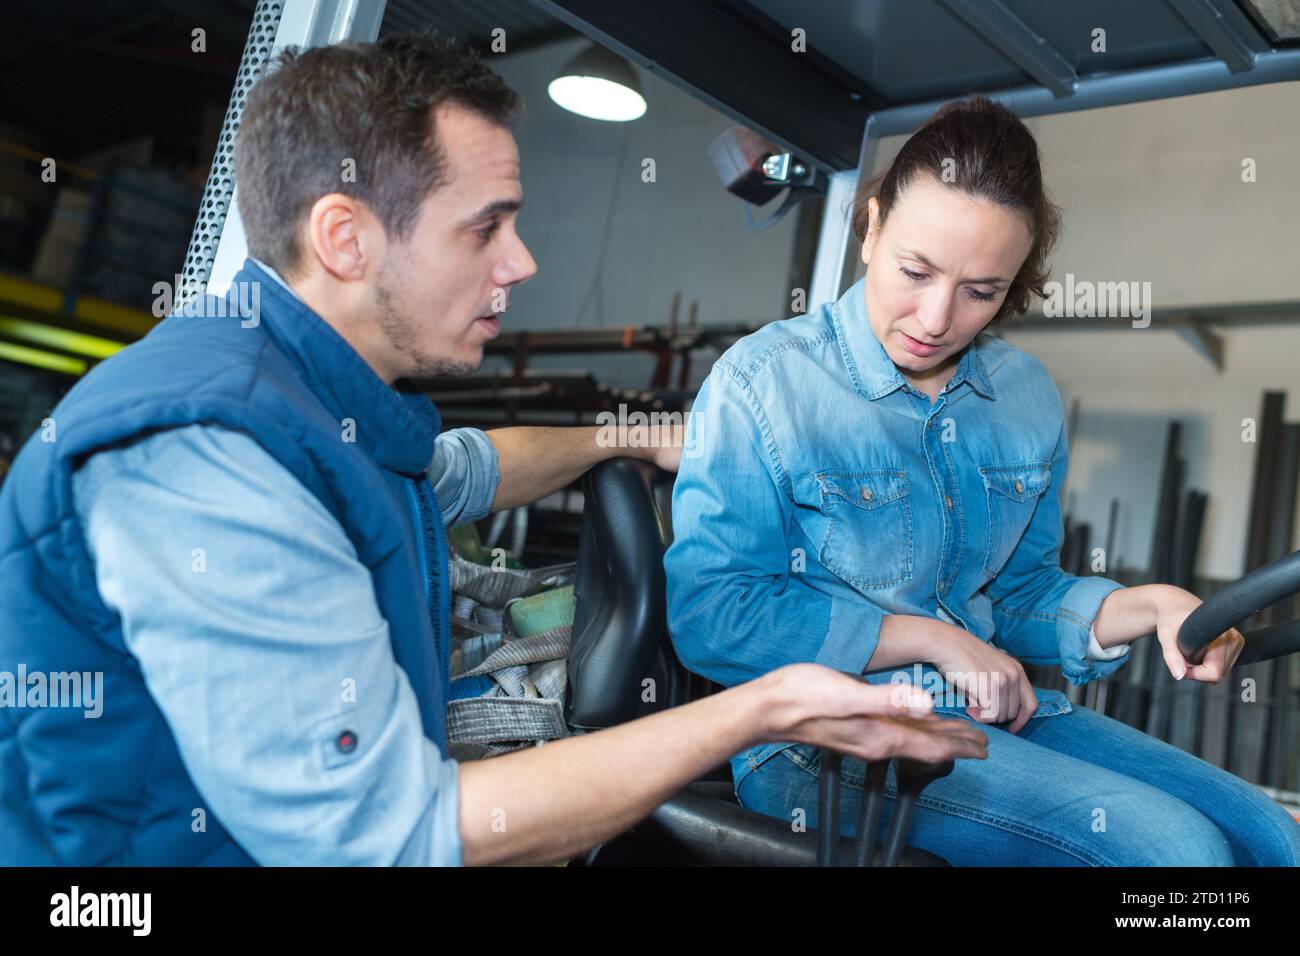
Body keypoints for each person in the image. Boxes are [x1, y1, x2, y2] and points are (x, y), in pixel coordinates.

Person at [0, 36, 987, 867]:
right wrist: (762, 707)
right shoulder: (210, 452)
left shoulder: (323, 404)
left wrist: (630, 439)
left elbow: (467, 469)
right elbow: (390, 835)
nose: (520, 262)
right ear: (344, 237)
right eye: (486, 228)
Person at [665, 94, 1300, 866]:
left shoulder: (1023, 394)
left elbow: (1020, 597)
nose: (936, 318)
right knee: (1181, 856)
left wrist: (1154, 605)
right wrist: (933, 640)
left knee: (1271, 840)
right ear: (870, 226)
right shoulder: (764, 383)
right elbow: (711, 614)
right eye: (916, 271)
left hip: (994, 712)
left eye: (981, 292)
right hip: (818, 739)